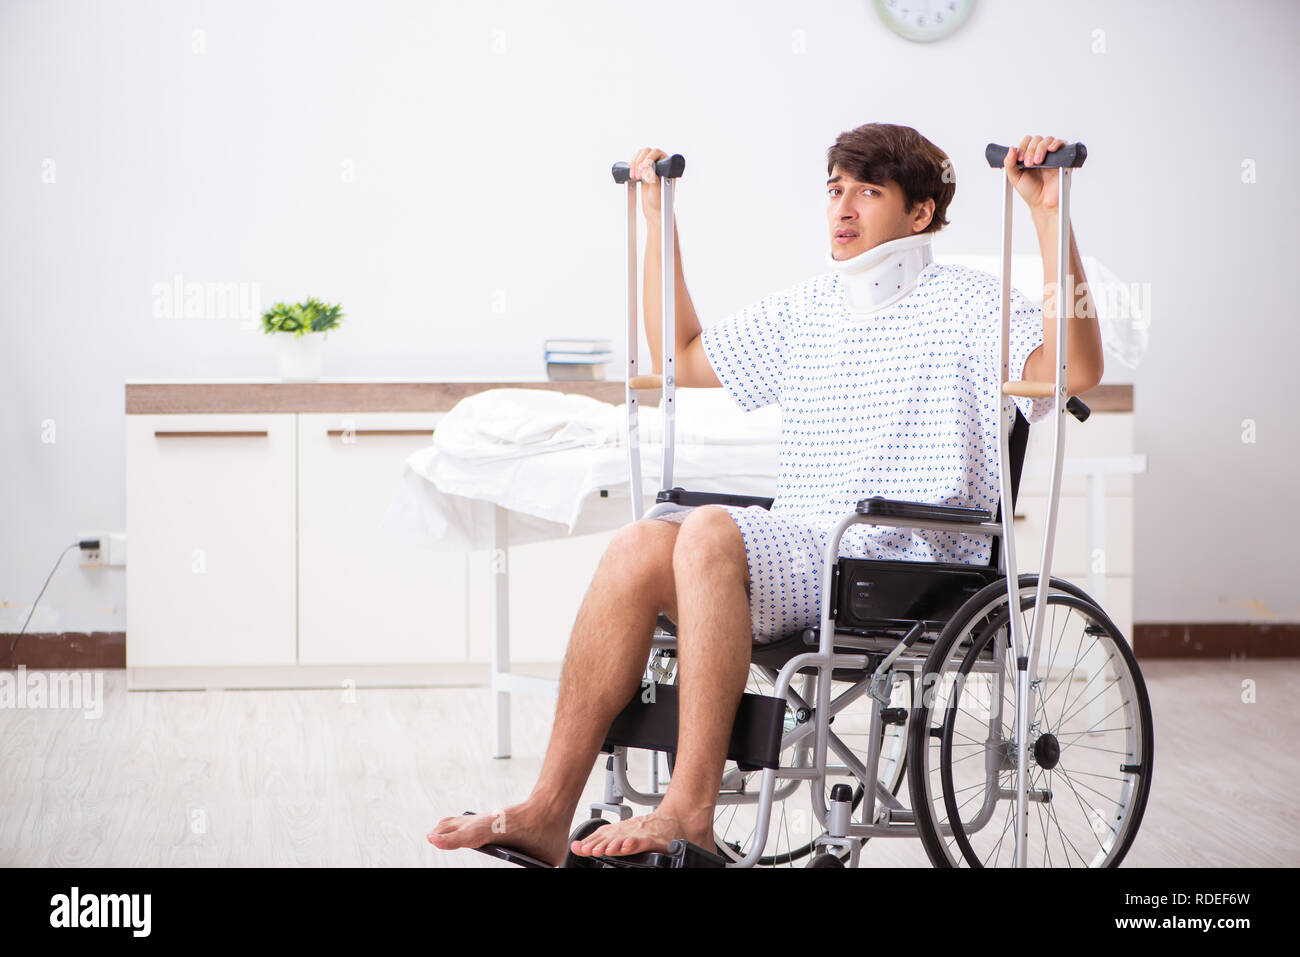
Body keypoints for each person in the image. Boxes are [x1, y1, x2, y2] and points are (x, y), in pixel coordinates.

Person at [428, 124, 1103, 865]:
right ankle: (548, 810)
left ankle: (687, 812)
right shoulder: (811, 308)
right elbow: (680, 357)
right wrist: (661, 224)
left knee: (712, 528)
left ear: (919, 214)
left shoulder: (975, 306)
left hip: (908, 558)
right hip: (813, 550)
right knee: (641, 541)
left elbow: (1074, 368)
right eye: (834, 189)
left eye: (867, 191)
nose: (842, 206)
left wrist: (1047, 216)